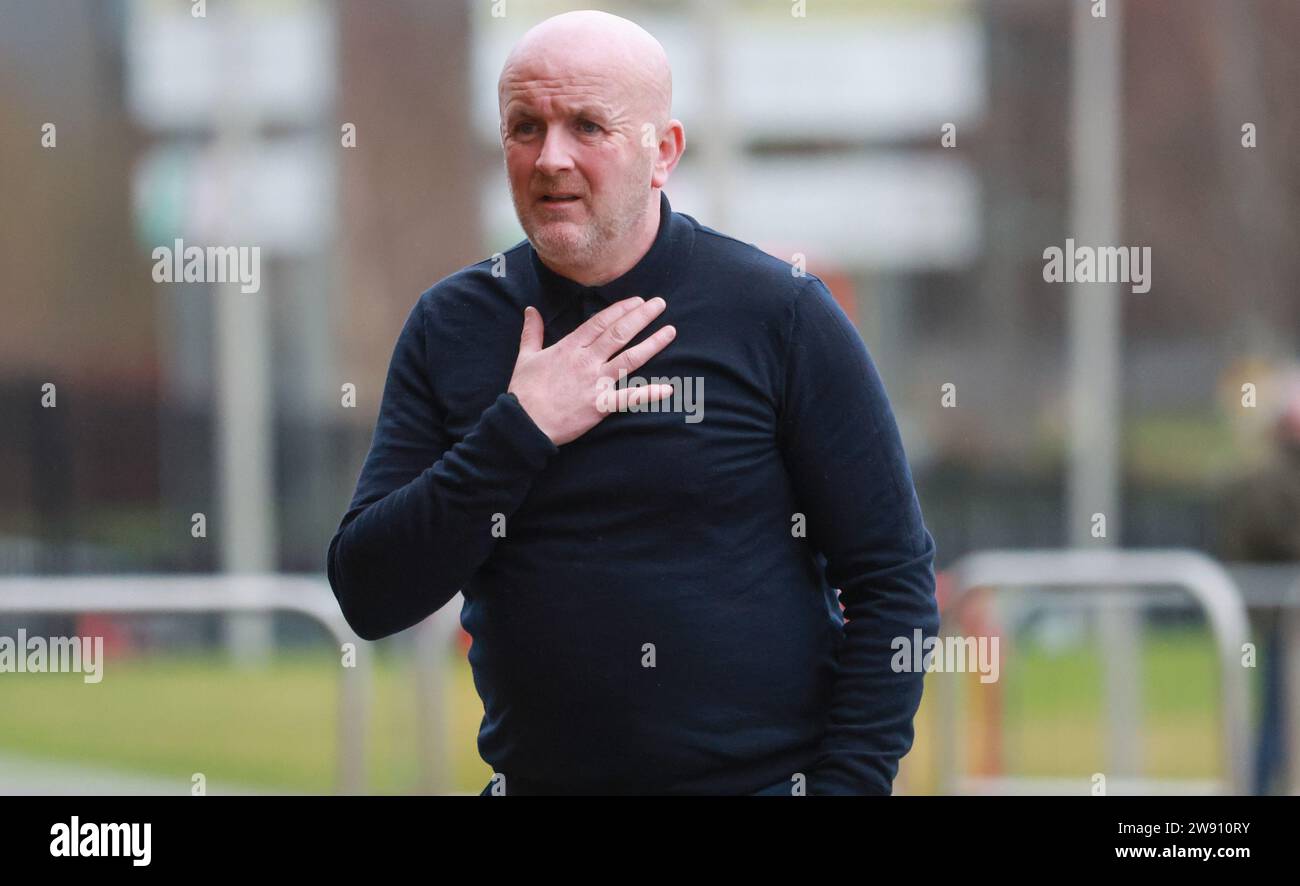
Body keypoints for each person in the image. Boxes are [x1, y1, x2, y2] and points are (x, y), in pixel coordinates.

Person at [326, 9, 938, 795]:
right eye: (524, 127)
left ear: (663, 152)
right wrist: (519, 430)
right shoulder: (453, 324)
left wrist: (847, 788)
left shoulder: (779, 314)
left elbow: (893, 580)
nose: (551, 158)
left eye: (587, 126)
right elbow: (369, 594)